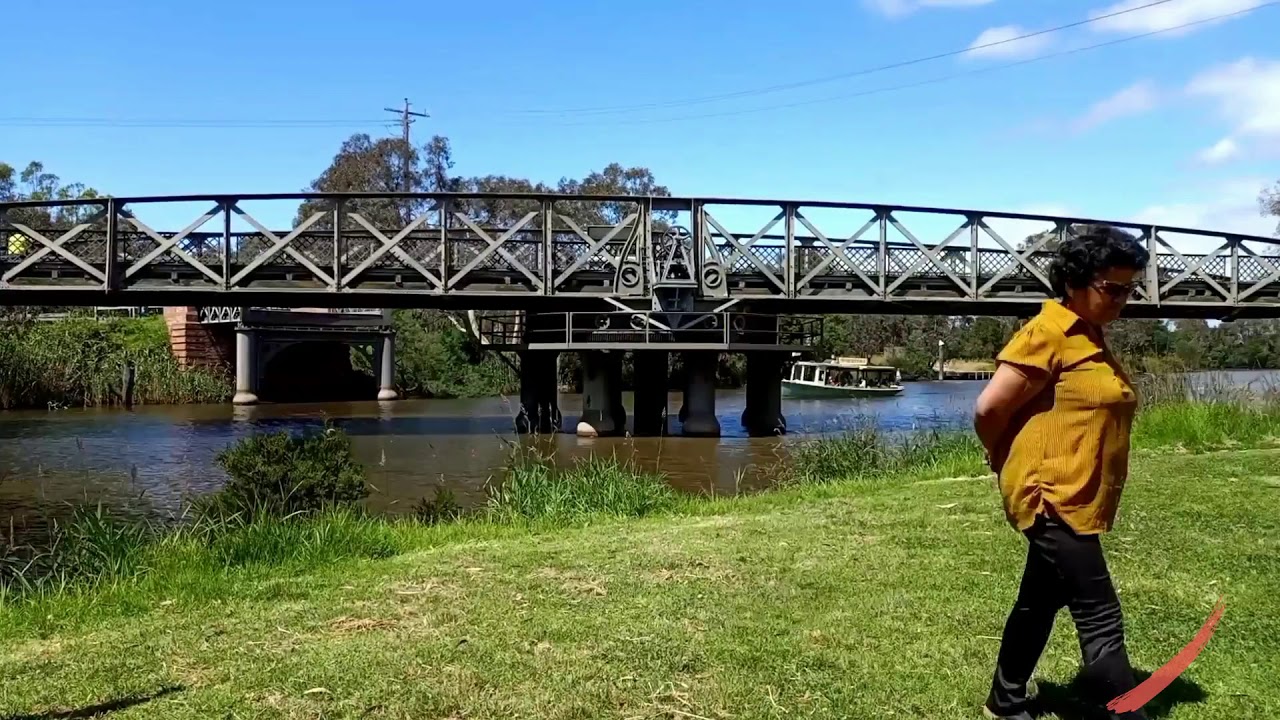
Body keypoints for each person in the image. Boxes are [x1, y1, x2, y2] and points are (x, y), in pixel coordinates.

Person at [974, 227, 1151, 720]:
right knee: (1099, 613)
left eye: (1129, 289)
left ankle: (1004, 701)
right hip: (1050, 495)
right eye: (1112, 289)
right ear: (1074, 281)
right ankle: (1124, 709)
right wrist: (1002, 457)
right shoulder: (1047, 333)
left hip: (1079, 493)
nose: (1122, 299)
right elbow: (990, 409)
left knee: (1039, 599)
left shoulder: (1089, 336)